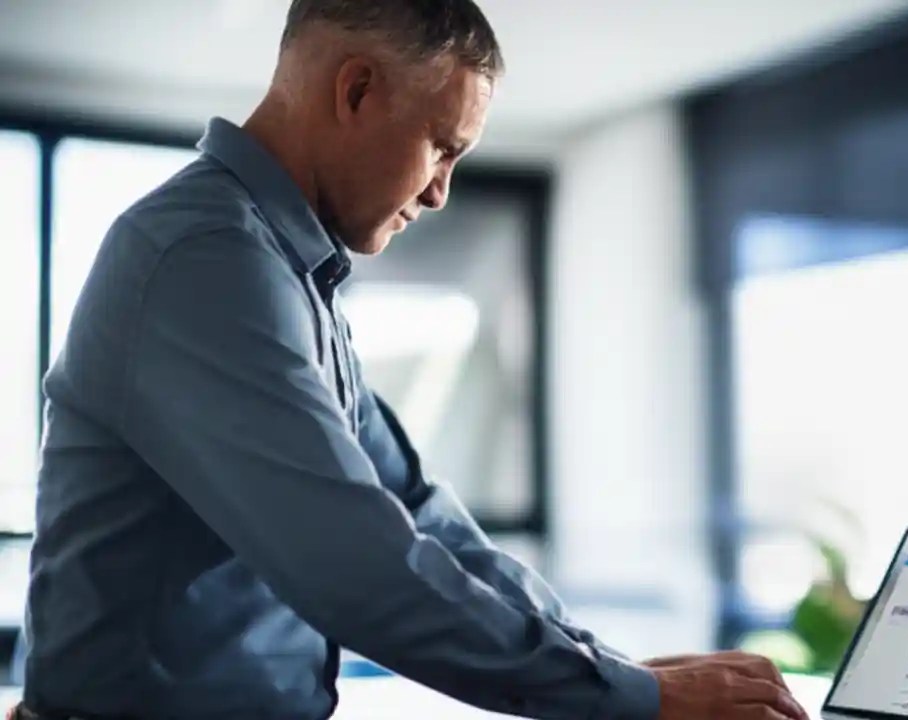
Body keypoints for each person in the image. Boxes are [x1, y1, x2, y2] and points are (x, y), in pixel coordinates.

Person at [15, 1, 812, 720]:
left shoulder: (288, 277)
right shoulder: (204, 260)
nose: (440, 193)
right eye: (441, 146)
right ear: (355, 90)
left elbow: (418, 510)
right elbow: (357, 563)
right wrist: (628, 699)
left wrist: (602, 667)